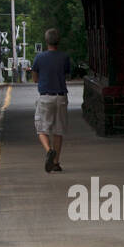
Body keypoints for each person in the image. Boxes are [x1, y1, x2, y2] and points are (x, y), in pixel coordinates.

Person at [31, 28, 71, 173]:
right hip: (61, 97)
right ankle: (56, 163)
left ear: (46, 41)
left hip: (45, 97)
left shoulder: (39, 58)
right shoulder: (64, 57)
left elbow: (35, 78)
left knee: (41, 128)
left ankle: (49, 151)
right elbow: (66, 74)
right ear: (58, 41)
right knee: (58, 131)